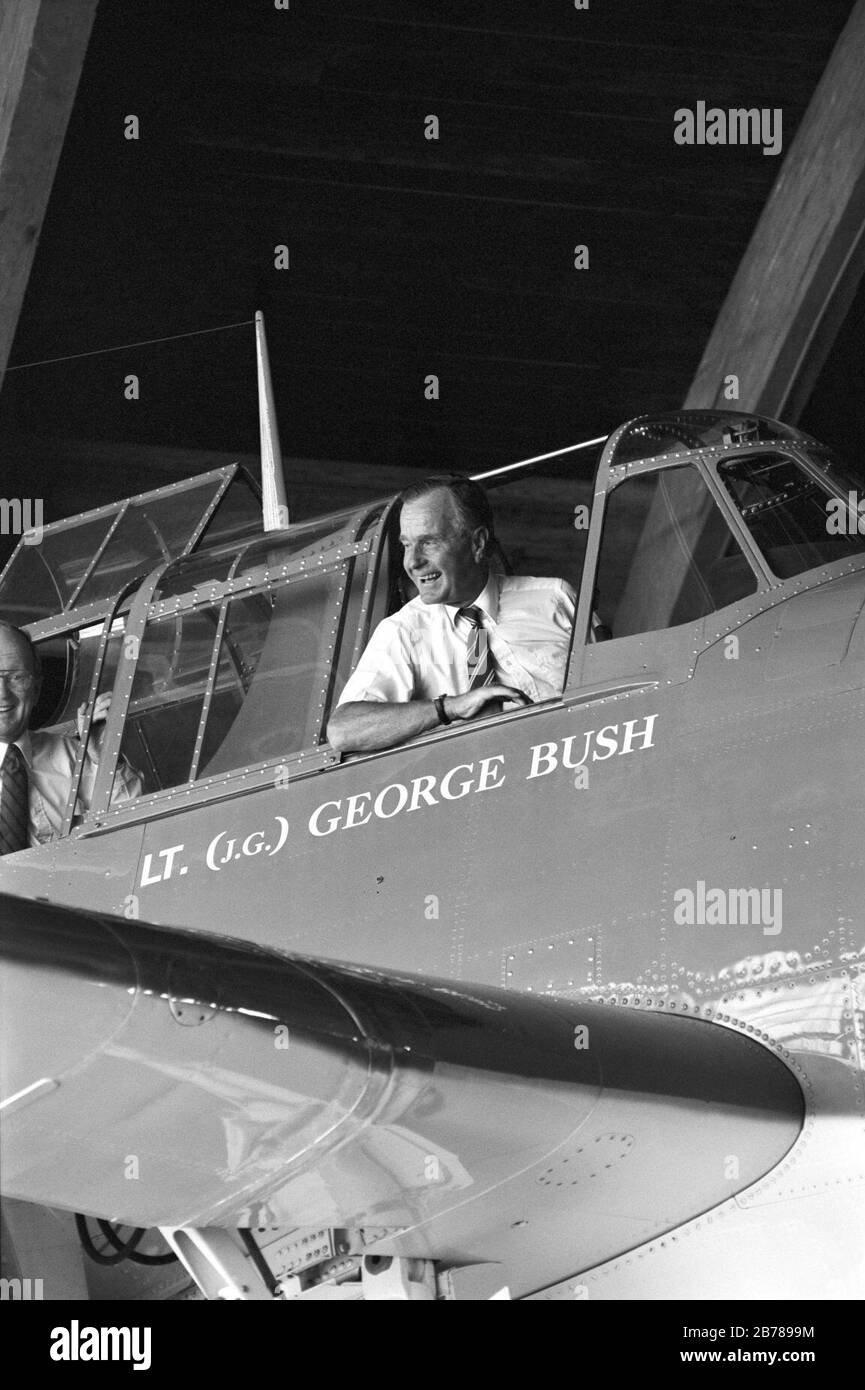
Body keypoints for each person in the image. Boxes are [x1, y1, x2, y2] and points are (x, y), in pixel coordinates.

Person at [327, 475, 575, 755]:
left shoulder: (555, 598)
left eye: (429, 543)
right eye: (407, 544)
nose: (413, 562)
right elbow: (344, 730)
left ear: (478, 543)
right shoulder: (402, 632)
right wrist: (448, 708)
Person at [0, 622, 142, 853]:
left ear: (36, 690)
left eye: (16, 677)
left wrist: (106, 760)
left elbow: (132, 834)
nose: (2, 694)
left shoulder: (76, 757)